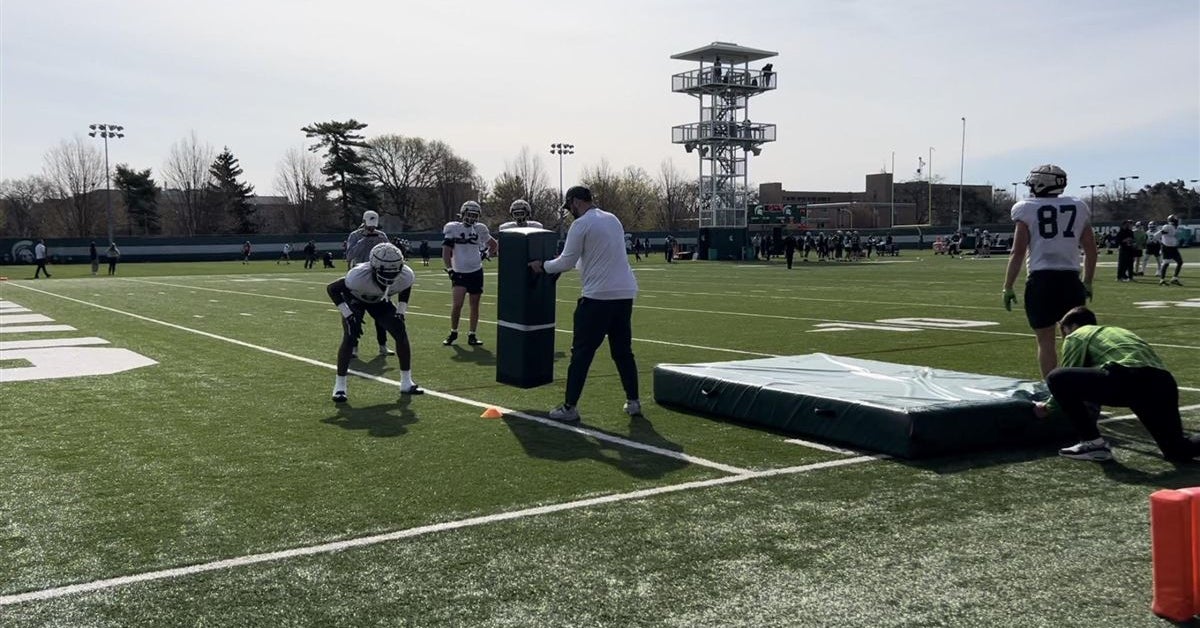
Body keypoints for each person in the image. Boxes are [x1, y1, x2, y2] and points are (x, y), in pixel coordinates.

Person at [529, 185, 640, 423]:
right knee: (622, 351)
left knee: (581, 353)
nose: (570, 211)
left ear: (576, 202)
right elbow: (589, 258)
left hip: (598, 296)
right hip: (625, 292)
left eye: (570, 207)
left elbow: (568, 261)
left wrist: (544, 266)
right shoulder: (612, 219)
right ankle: (633, 401)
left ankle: (570, 407)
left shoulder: (581, 224)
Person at [1036, 306, 1200, 462]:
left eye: (1063, 333)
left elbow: (1068, 373)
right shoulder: (1118, 332)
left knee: (1056, 377)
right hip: (1162, 382)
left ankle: (1092, 443)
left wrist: (1049, 407)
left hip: (1128, 379)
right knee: (1177, 450)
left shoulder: (1077, 334)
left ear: (1071, 326)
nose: (1064, 338)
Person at [1002, 164, 1098, 378]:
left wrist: (1008, 286)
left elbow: (1017, 252)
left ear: (1039, 183)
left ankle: (1054, 392)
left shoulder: (1025, 208)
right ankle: (1081, 393)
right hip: (1071, 281)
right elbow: (1091, 249)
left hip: (1041, 281)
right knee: (1074, 340)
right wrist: (1088, 281)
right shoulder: (1078, 206)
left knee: (1045, 342)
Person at [326, 242, 422, 402]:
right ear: (374, 267)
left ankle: (406, 382)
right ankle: (340, 386)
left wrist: (401, 310)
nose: (390, 278)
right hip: (355, 298)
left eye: (394, 273)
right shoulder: (358, 277)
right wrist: (348, 315)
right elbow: (332, 289)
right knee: (350, 336)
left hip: (379, 301)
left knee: (400, 331)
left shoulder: (406, 275)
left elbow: (406, 286)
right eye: (387, 273)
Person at [442, 200, 497, 346]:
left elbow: (494, 245)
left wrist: (485, 254)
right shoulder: (453, 228)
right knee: (457, 304)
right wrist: (449, 269)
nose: (472, 218)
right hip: (459, 271)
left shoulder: (480, 228)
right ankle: (453, 332)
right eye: (469, 214)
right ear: (463, 213)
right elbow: (446, 251)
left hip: (476, 271)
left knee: (474, 305)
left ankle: (472, 334)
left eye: (475, 215)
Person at [346, 210, 394, 357]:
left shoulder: (382, 235)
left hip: (378, 279)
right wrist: (364, 240)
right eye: (369, 226)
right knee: (356, 316)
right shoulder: (355, 235)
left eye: (374, 226)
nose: (372, 229)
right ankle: (353, 347)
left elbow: (390, 252)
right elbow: (349, 255)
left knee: (382, 316)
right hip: (360, 279)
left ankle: (383, 345)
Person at [1156, 214, 1184, 286]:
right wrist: (1156, 240)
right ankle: (1162, 280)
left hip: (1173, 247)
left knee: (1180, 262)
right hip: (1166, 247)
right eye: (1176, 220)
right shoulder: (1167, 227)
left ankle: (1174, 278)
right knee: (1166, 263)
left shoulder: (1174, 227)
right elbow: (1160, 233)